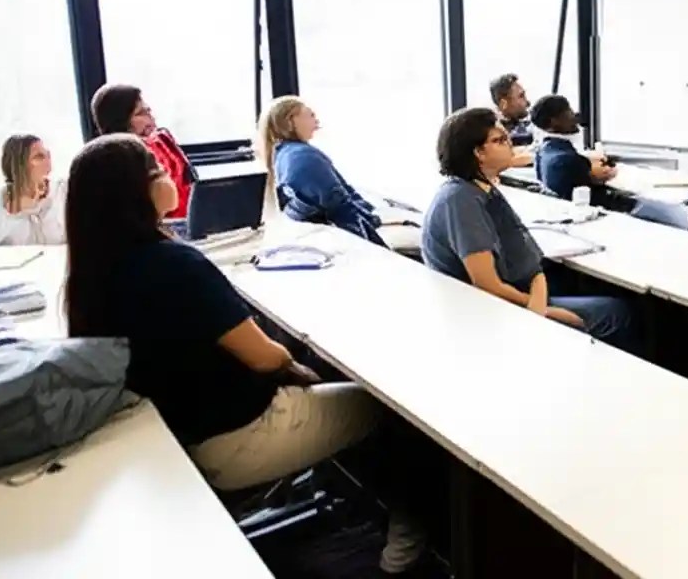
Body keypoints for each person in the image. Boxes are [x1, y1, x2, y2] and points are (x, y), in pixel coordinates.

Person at [62, 134, 424, 574]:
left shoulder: (90, 274)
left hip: (175, 433)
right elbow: (265, 358)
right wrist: (302, 370)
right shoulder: (174, 264)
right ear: (133, 196)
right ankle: (407, 552)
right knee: (400, 413)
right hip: (237, 437)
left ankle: (336, 487)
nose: (172, 177)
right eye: (157, 171)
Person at [421, 107, 638, 353]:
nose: (510, 144)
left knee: (592, 289)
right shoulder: (460, 201)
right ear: (478, 152)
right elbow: (488, 286)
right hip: (490, 317)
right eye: (499, 140)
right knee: (617, 313)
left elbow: (530, 263)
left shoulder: (481, 190)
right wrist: (543, 311)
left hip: (520, 297)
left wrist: (538, 300)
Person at [256, 96, 385, 247]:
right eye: (311, 115)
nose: (317, 122)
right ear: (290, 121)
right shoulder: (303, 157)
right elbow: (343, 211)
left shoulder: (283, 154)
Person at [90, 83, 196, 219]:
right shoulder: (118, 160)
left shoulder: (162, 140)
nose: (150, 118)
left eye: (148, 110)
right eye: (140, 113)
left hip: (190, 218)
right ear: (120, 122)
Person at [0, 134, 67, 249]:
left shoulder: (63, 191)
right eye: (39, 157)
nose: (48, 161)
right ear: (19, 166)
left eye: (48, 155)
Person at [528, 94, 617, 203]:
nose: (575, 116)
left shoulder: (542, 153)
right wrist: (613, 170)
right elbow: (604, 174)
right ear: (555, 121)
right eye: (569, 111)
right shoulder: (568, 160)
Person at [489, 73, 534, 168]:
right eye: (521, 96)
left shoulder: (528, 124)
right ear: (503, 103)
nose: (528, 102)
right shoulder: (490, 131)